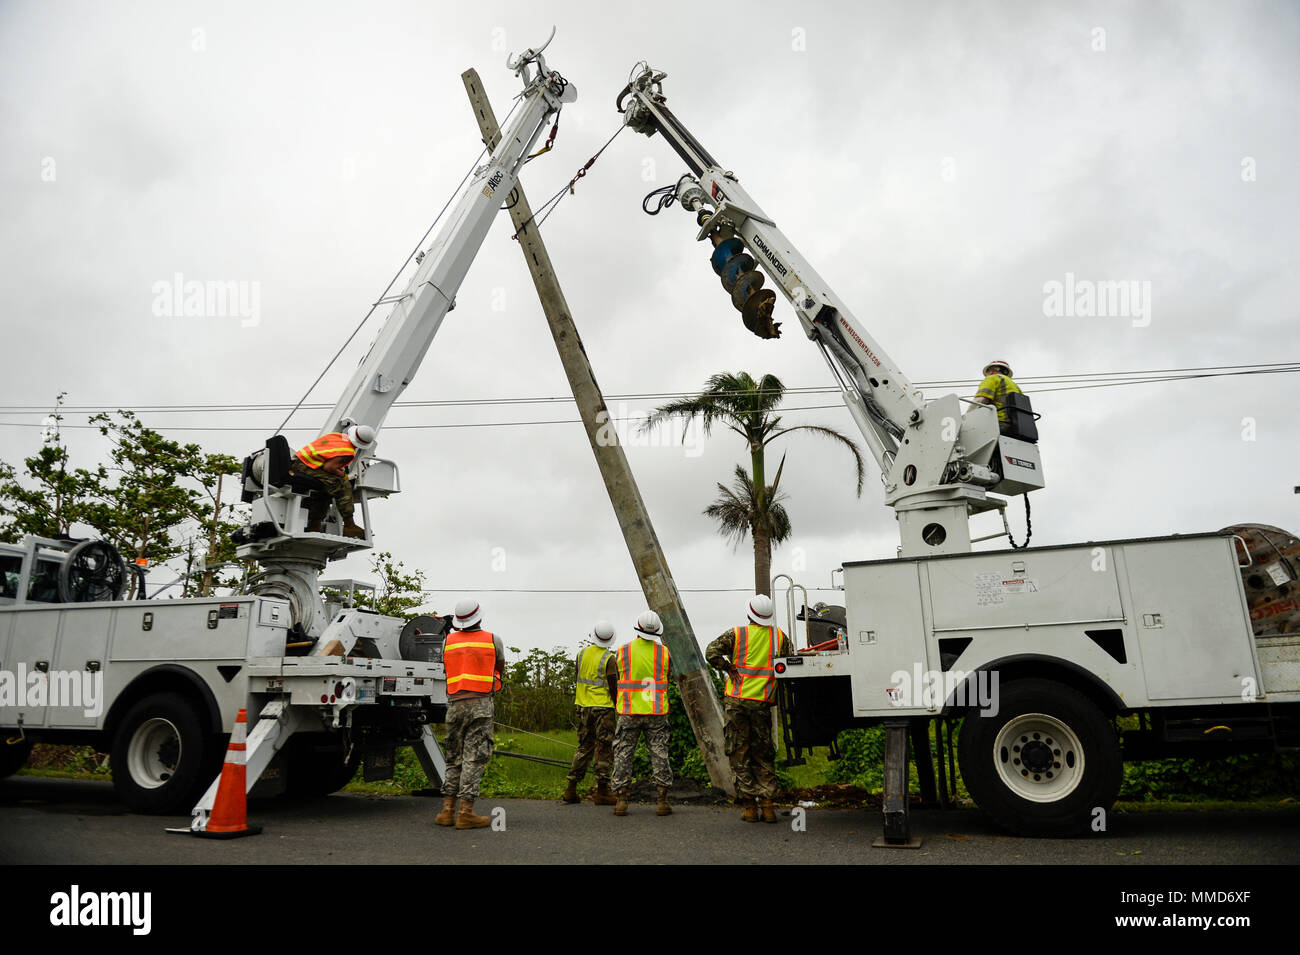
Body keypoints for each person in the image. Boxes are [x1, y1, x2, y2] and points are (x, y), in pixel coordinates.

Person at [706, 594, 792, 823]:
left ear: (749, 614)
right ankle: (768, 806)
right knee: (763, 753)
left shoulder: (737, 634)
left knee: (739, 752)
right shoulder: (779, 637)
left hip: (736, 702)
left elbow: (711, 652)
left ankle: (750, 807)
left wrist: (727, 667)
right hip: (762, 704)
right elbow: (790, 663)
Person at [435, 599, 505, 830]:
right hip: (480, 705)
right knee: (473, 758)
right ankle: (466, 813)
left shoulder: (449, 641)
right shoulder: (493, 639)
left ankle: (447, 811)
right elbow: (500, 667)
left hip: (454, 705)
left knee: (453, 757)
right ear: (480, 617)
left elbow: (447, 668)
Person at [609, 610, 673, 817]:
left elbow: (617, 678)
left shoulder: (622, 652)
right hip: (656, 711)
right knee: (659, 753)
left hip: (629, 711)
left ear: (637, 628)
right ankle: (662, 801)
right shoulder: (664, 652)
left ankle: (621, 800)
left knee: (623, 753)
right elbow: (667, 676)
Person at [562, 620, 620, 806]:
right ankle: (603, 791)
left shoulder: (581, 654)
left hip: (583, 707)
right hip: (603, 709)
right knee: (603, 747)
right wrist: (618, 705)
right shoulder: (609, 658)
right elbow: (613, 687)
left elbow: (577, 677)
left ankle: (571, 788)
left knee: (584, 746)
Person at [292, 424, 376, 538]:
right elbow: (329, 467)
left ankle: (314, 526)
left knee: (326, 491)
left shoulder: (337, 436)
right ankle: (349, 525)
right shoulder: (347, 451)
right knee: (341, 485)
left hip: (301, 462)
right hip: (307, 467)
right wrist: (343, 475)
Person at [969, 360, 1023, 429]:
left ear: (991, 371)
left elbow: (980, 401)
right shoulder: (1016, 387)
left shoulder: (992, 378)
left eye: (988, 371)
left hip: (999, 423)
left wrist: (966, 419)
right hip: (1017, 427)